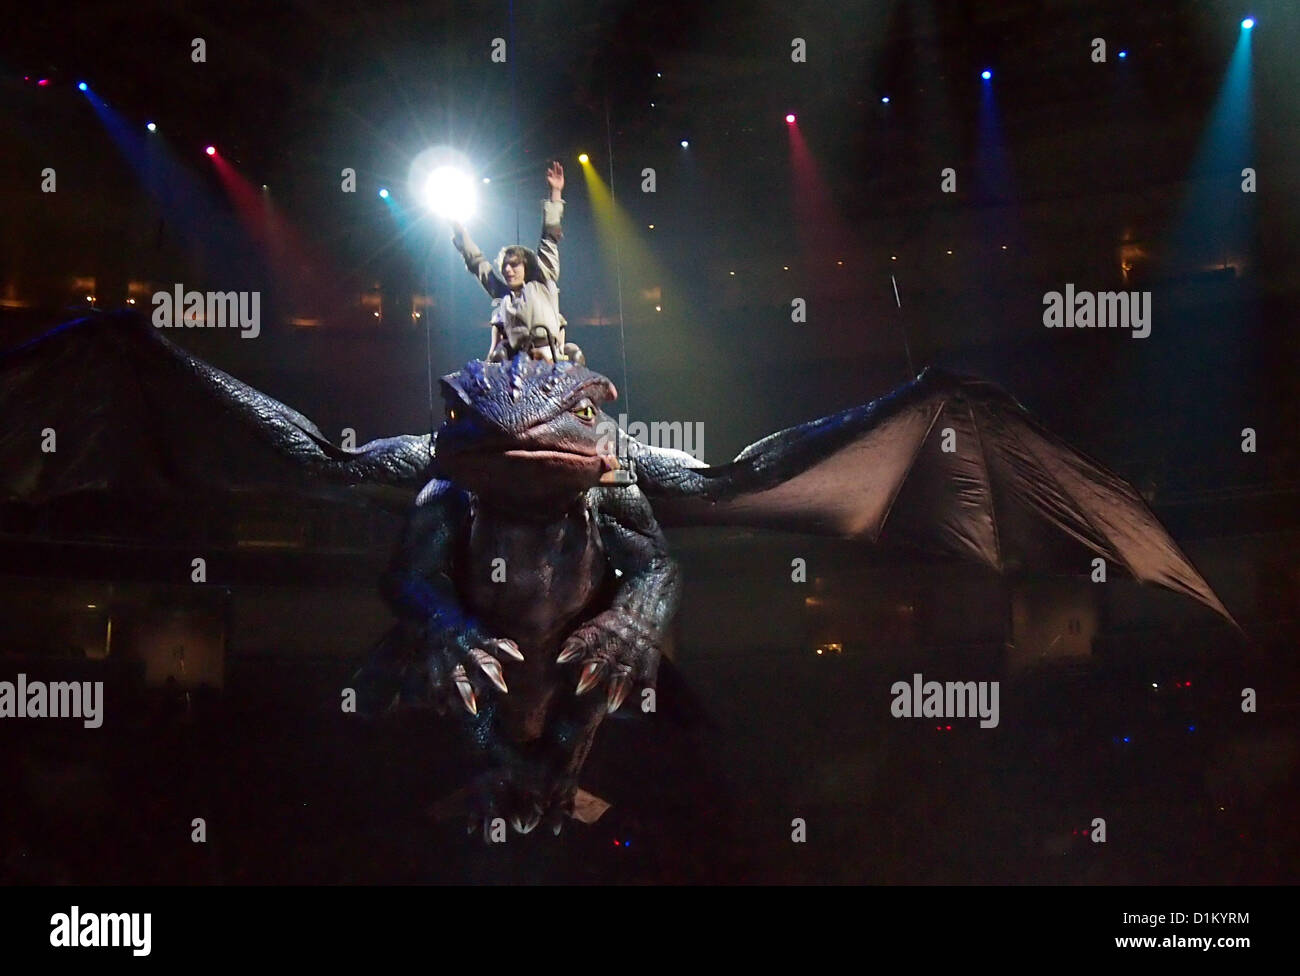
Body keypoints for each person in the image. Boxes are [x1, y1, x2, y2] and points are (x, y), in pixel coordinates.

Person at [449, 161, 584, 364]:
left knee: (576, 359)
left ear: (526, 267)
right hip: (519, 366)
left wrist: (555, 193)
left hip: (552, 361)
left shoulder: (542, 284)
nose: (508, 270)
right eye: (505, 266)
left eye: (514, 265)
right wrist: (459, 232)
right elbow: (478, 264)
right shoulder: (504, 295)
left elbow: (549, 237)